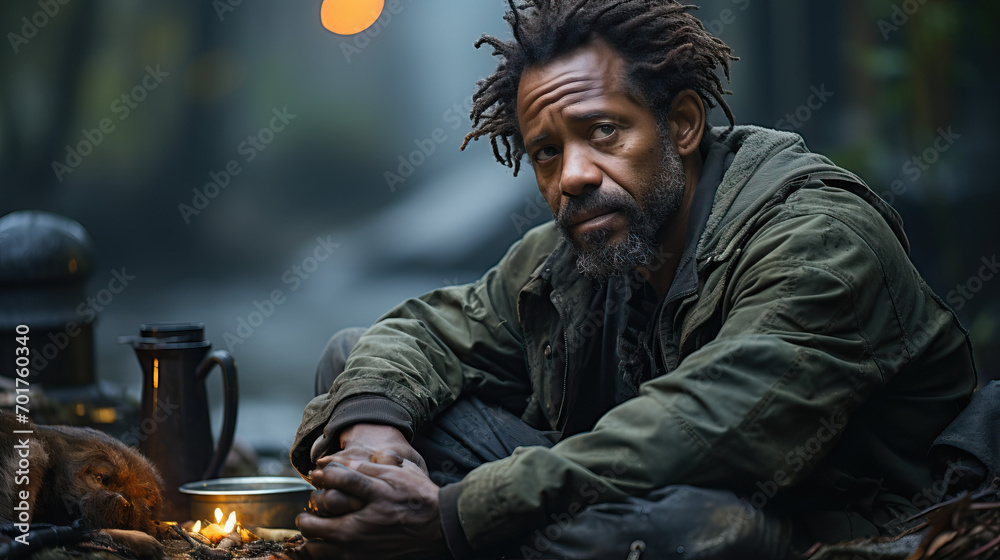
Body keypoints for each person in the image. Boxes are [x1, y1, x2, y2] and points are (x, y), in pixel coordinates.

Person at [288, 1, 978, 558]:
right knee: (361, 371)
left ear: (680, 124)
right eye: (548, 153)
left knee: (686, 530)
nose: (574, 176)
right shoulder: (585, 245)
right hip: (628, 496)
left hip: (827, 528)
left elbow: (704, 428)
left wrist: (452, 514)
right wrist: (375, 440)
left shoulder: (817, 241)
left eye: (604, 133)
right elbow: (424, 331)